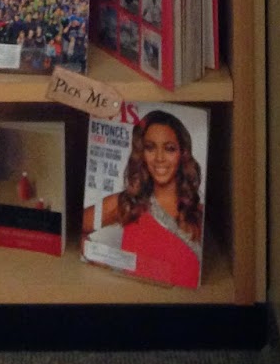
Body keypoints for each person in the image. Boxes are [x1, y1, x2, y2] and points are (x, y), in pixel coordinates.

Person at [82, 110, 205, 288]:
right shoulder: (126, 204)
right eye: (150, 147)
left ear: (182, 154)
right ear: (142, 153)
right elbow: (77, 227)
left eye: (169, 148)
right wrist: (101, 258)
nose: (159, 158)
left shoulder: (198, 212)